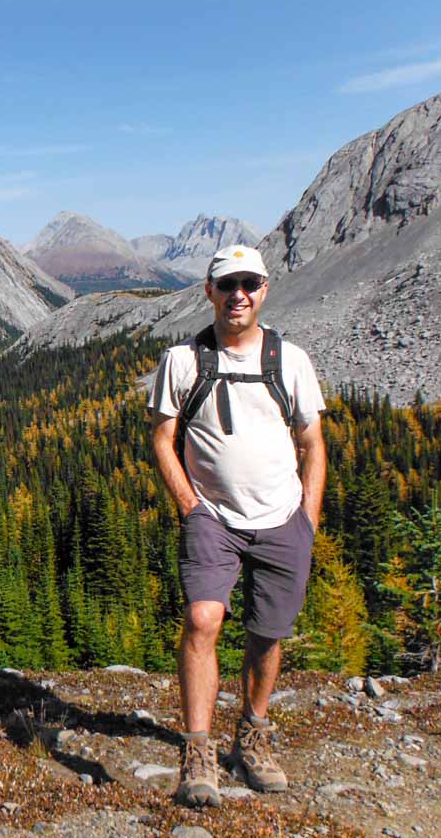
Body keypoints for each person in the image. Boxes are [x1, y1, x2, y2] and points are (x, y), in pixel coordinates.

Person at [147, 244, 326, 808]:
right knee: (202, 620)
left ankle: (252, 733)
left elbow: (313, 445)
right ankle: (198, 750)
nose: (238, 295)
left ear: (264, 290)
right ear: (210, 292)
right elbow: (161, 439)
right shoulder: (183, 360)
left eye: (249, 284)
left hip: (282, 519)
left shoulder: (290, 360)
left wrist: (307, 522)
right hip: (213, 517)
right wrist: (190, 506)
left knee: (267, 634)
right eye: (227, 285)